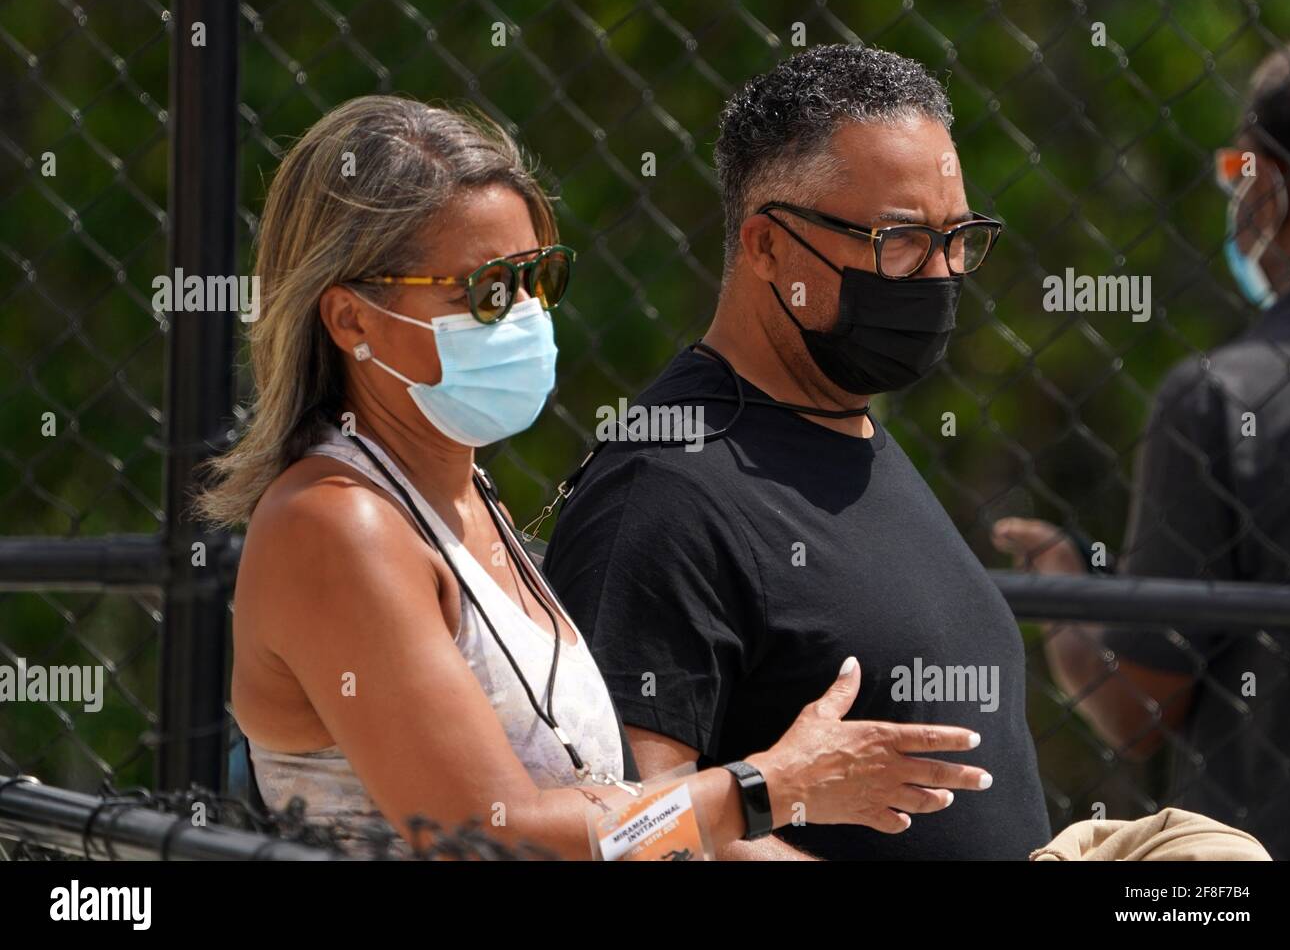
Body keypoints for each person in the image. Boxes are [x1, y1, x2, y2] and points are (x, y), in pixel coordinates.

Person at [203, 95, 993, 858]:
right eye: (484, 291)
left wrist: (629, 810)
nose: (523, 316)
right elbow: (491, 841)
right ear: (351, 320)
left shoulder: (465, 499)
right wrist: (770, 787)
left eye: (535, 278)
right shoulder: (339, 524)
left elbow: (601, 820)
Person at [542, 45, 1052, 860]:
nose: (940, 274)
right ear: (769, 246)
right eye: (899, 240)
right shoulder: (666, 482)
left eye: (958, 237)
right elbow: (636, 832)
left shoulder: (848, 429)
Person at [991, 43, 1290, 859]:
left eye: (1239, 170)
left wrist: (1066, 602)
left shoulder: (1219, 398)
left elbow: (1139, 708)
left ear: (1271, 185)